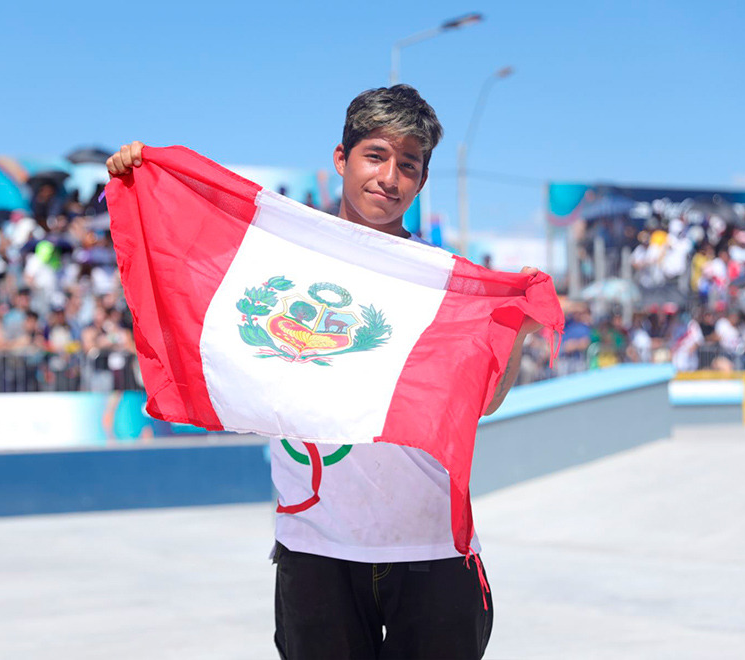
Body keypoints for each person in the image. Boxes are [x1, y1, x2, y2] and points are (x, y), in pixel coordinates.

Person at [105, 85, 543, 660]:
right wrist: (146, 177)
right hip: (316, 551)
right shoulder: (280, 256)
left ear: (421, 180)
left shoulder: (438, 280)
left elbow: (480, 402)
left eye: (407, 165)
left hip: (431, 548)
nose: (389, 177)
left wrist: (519, 332)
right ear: (341, 159)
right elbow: (187, 264)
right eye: (375, 156)